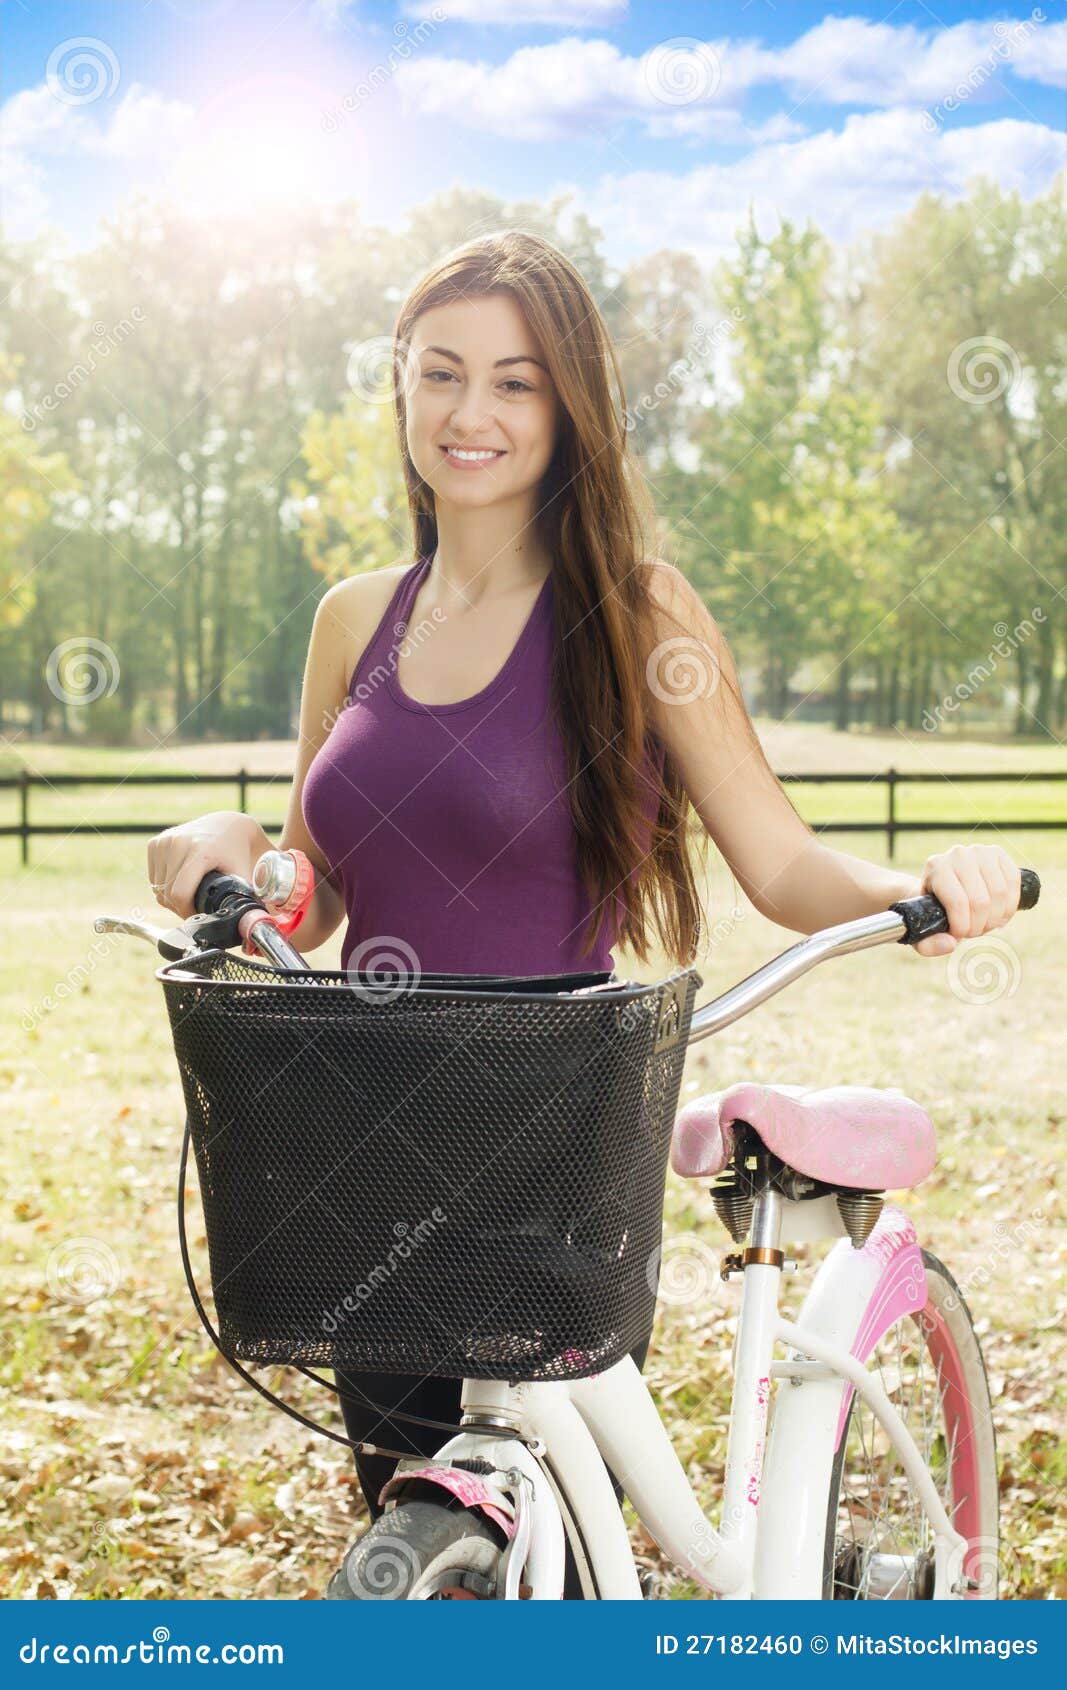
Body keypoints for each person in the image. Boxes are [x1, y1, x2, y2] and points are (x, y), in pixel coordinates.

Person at [148, 228, 1025, 1598]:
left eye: (515, 382)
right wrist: (234, 851)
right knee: (417, 1524)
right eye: (441, 375)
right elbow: (311, 888)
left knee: (560, 1540)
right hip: (360, 1141)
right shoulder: (352, 620)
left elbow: (782, 860)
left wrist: (925, 885)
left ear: (570, 411)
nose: (471, 413)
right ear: (400, 392)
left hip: (545, 1135)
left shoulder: (633, 614)